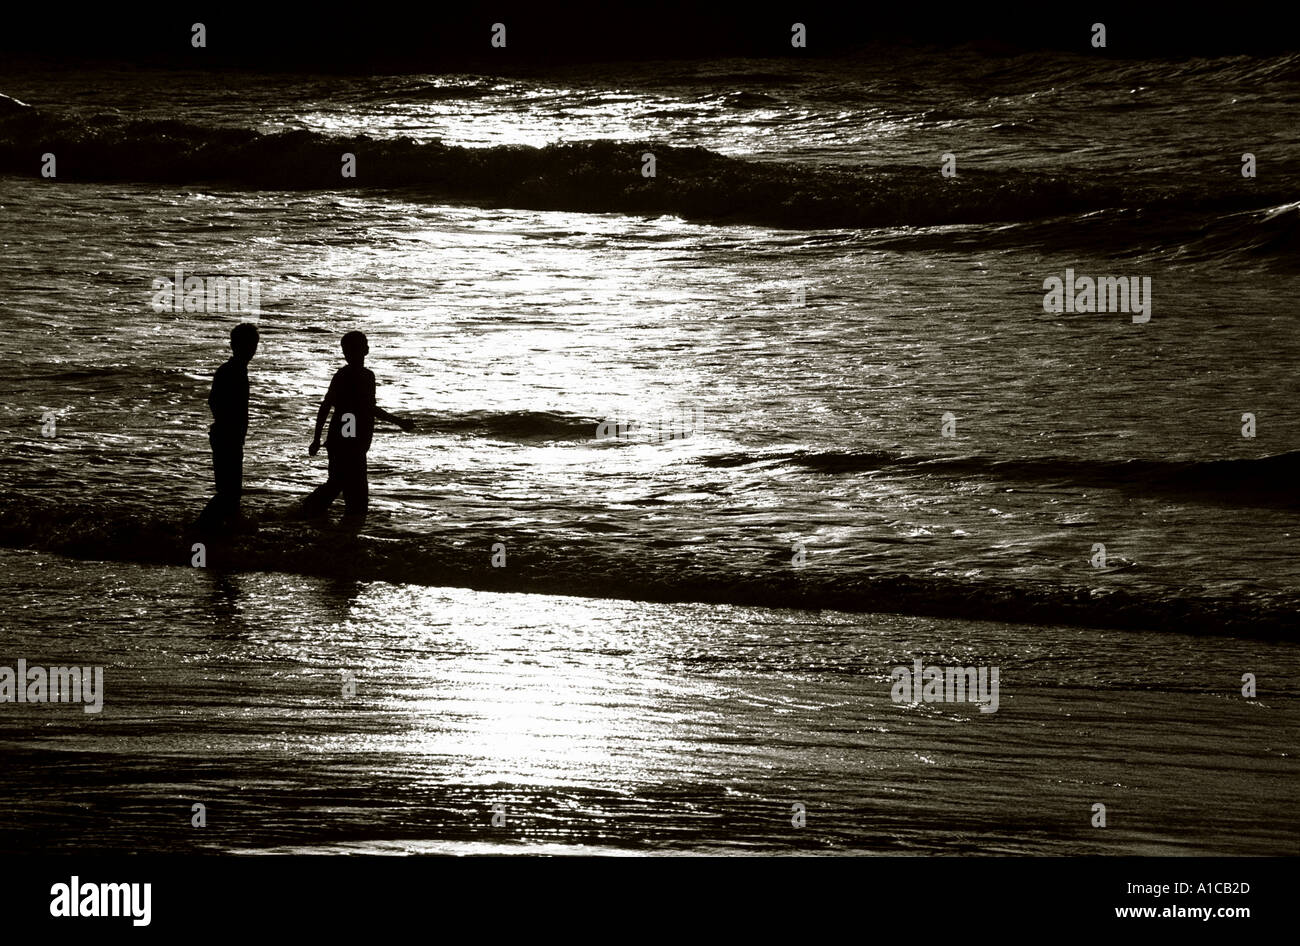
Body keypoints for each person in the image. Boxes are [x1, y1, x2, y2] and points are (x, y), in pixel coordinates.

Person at [301, 331, 414, 519]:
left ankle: (312, 515)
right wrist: (398, 422)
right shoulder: (352, 376)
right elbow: (346, 411)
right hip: (349, 441)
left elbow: (337, 406)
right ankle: (311, 513)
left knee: (339, 484)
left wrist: (318, 438)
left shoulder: (361, 376)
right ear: (365, 350)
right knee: (352, 493)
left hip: (351, 441)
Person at [196, 322, 259, 531]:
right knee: (228, 494)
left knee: (231, 494)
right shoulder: (230, 371)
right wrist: (229, 426)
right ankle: (199, 530)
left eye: (253, 345)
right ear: (234, 346)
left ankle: (223, 533)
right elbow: (214, 401)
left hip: (230, 436)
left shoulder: (238, 370)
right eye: (246, 345)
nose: (251, 349)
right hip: (226, 437)